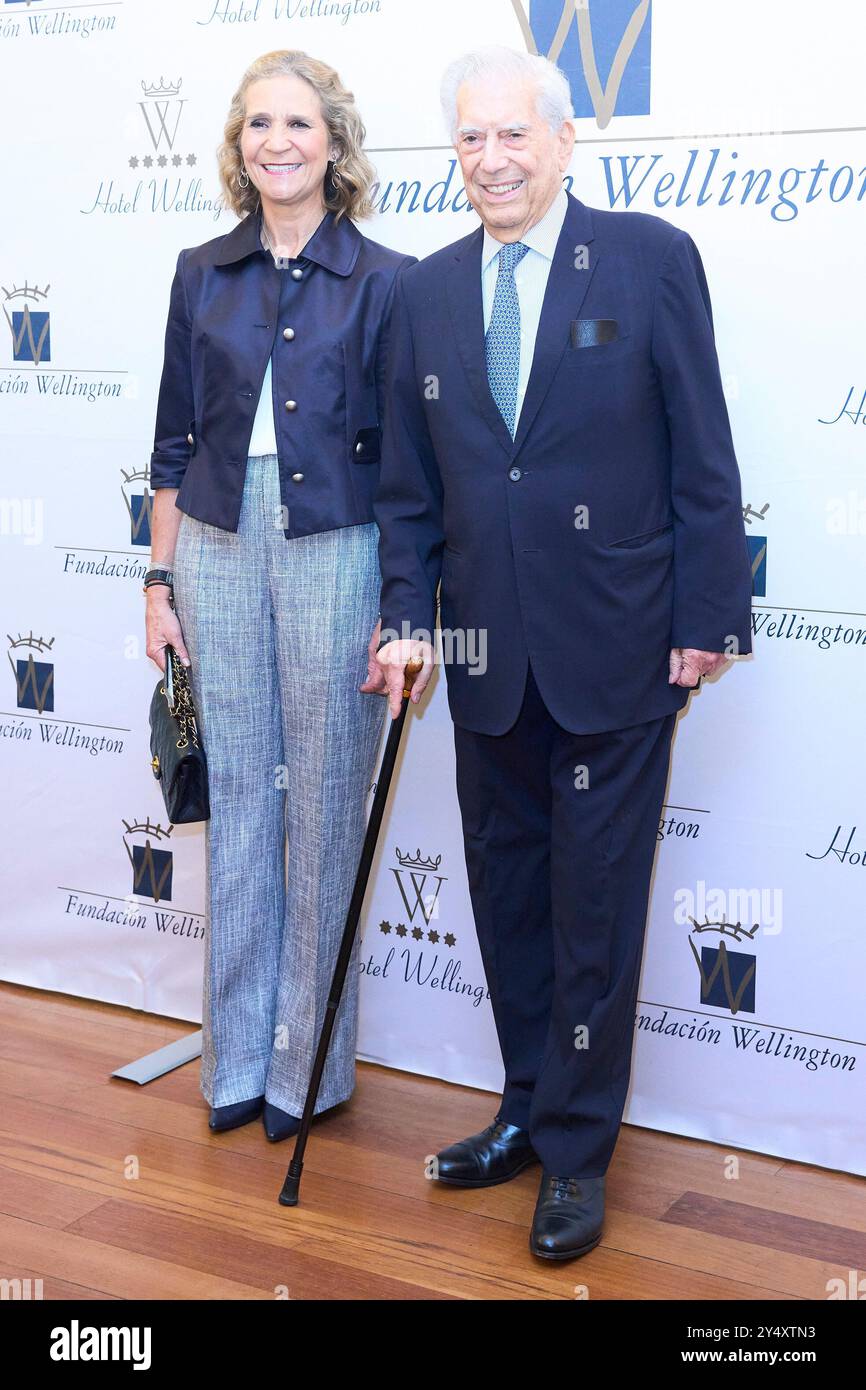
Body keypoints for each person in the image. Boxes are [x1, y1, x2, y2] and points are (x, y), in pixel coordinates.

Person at [369, 45, 752, 1260]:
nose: (489, 159)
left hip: (618, 648)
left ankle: (578, 1155)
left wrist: (705, 617)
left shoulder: (646, 260)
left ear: (560, 141)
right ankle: (526, 1110)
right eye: (469, 140)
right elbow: (407, 492)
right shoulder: (426, 294)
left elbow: (701, 449)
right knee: (508, 905)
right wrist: (403, 615)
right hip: (483, 658)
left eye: (510, 136)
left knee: (593, 908)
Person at [145, 49, 414, 1142]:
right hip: (212, 543)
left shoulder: (387, 279)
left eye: (299, 123)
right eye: (258, 124)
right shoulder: (200, 270)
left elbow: (409, 464)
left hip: (336, 549)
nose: (278, 142)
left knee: (320, 812)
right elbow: (169, 441)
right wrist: (158, 582)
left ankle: (309, 1067)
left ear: (334, 143)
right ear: (237, 145)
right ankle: (237, 1060)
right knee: (242, 807)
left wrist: (403, 609)